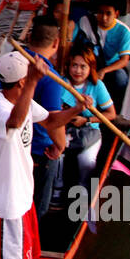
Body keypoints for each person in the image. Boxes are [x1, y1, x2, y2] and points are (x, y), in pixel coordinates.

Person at [0, 51, 49, 259]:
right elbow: (14, 122)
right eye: (27, 79)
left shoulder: (23, 102)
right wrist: (33, 82)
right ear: (22, 81)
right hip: (8, 203)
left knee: (22, 254)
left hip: (23, 194)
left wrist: (78, 110)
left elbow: (50, 120)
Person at [21, 18, 90, 214]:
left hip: (13, 142)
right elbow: (53, 122)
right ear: (56, 44)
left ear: (29, 37)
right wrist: (59, 146)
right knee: (38, 206)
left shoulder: (14, 60)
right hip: (39, 149)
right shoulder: (51, 79)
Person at [60, 46, 115, 192]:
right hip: (63, 129)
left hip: (89, 132)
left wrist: (86, 120)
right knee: (57, 157)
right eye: (74, 66)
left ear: (91, 68)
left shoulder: (97, 86)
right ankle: (57, 189)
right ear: (68, 66)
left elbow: (111, 114)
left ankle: (83, 187)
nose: (78, 71)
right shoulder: (60, 83)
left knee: (87, 161)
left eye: (83, 66)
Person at [73, 0, 130, 111]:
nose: (104, 17)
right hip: (89, 64)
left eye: (108, 13)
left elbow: (124, 60)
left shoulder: (124, 31)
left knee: (121, 78)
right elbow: (70, 40)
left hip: (111, 68)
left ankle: (115, 109)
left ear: (116, 14)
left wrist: (104, 70)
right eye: (100, 13)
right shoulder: (85, 22)